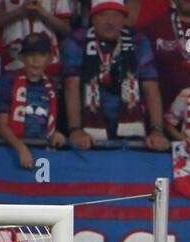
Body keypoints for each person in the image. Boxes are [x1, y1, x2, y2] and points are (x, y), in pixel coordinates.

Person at [61, 0, 167, 149]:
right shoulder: (77, 41)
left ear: (124, 18)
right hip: (89, 135)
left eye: (116, 15)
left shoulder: (138, 41)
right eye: (103, 15)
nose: (110, 22)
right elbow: (71, 86)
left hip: (132, 134)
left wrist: (157, 131)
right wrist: (75, 130)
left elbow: (151, 87)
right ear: (92, 18)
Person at [0, 32, 64, 168]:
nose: (36, 60)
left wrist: (57, 134)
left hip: (43, 152)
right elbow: (1, 125)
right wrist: (20, 148)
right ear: (22, 57)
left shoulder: (54, 86)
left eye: (41, 55)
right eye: (31, 55)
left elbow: (54, 123)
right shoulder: (8, 82)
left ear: (50, 58)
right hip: (11, 151)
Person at [0, 0, 72, 75]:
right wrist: (20, 11)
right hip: (12, 59)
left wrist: (41, 11)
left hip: (46, 59)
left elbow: (65, 29)